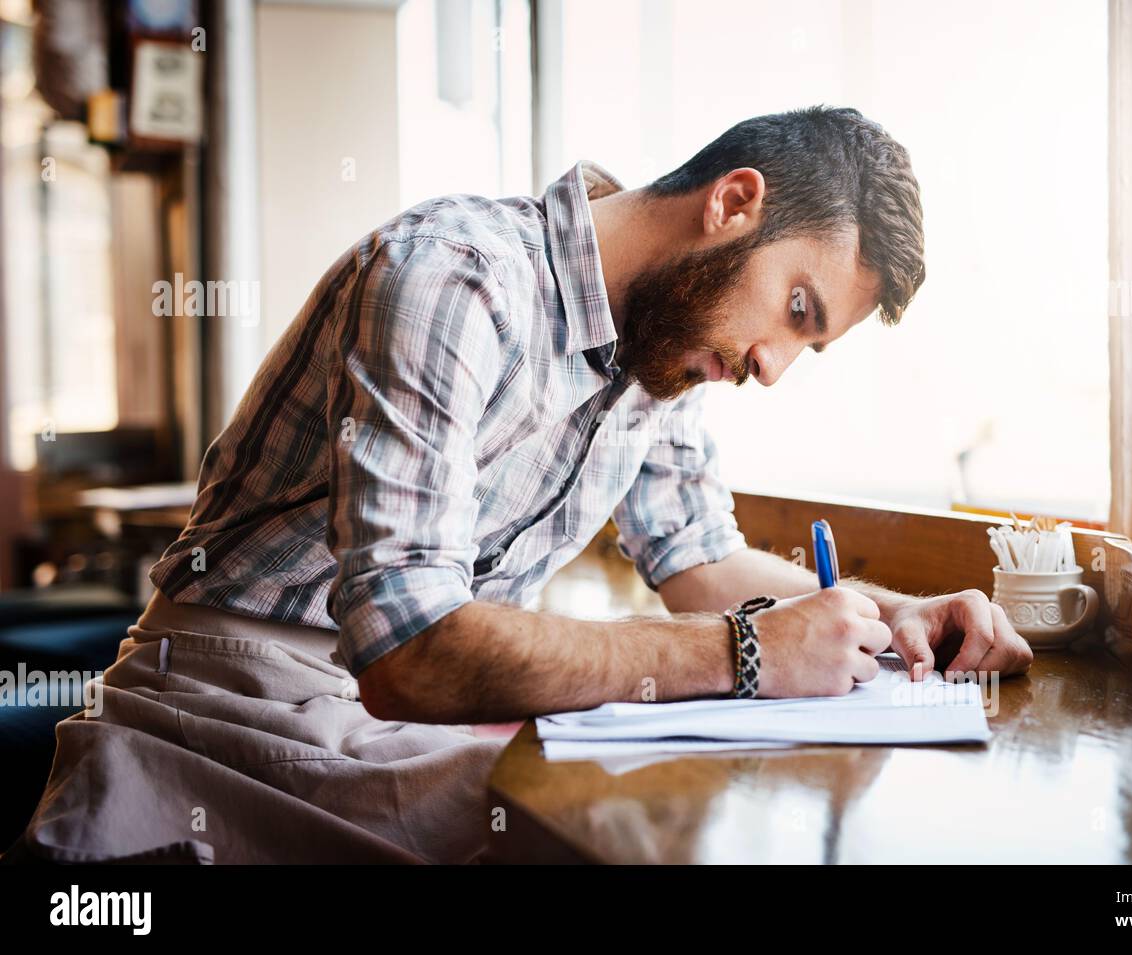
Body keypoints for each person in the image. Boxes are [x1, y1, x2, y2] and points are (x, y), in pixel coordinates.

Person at [17, 107, 1031, 864]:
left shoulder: (665, 353)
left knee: (628, 824)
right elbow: (408, 651)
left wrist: (901, 616)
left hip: (394, 730)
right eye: (795, 309)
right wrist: (751, 650)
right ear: (733, 204)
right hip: (226, 719)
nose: (772, 366)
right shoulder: (453, 279)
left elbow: (704, 562)